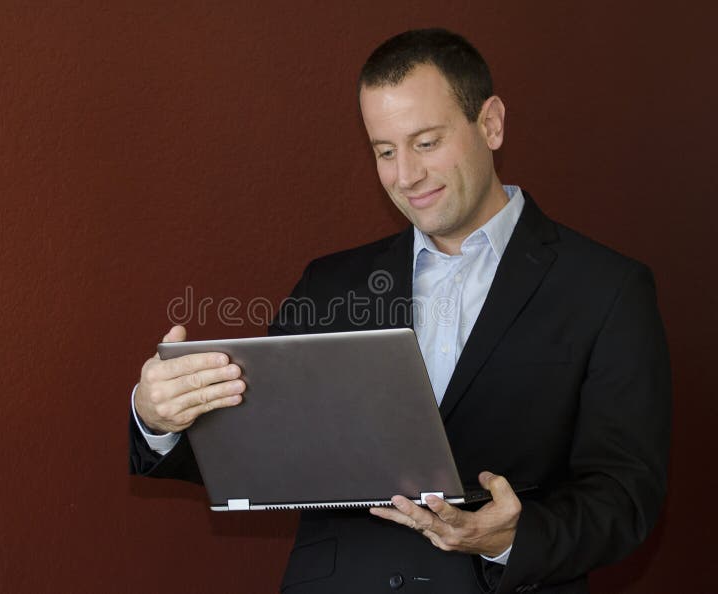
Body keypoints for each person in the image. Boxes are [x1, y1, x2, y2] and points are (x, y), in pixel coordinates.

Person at [129, 29, 671, 593]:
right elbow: (257, 453)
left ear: (490, 124)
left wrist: (509, 538)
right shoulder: (327, 282)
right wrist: (159, 419)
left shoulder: (607, 287)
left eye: (427, 143)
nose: (405, 175)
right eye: (385, 151)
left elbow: (626, 494)